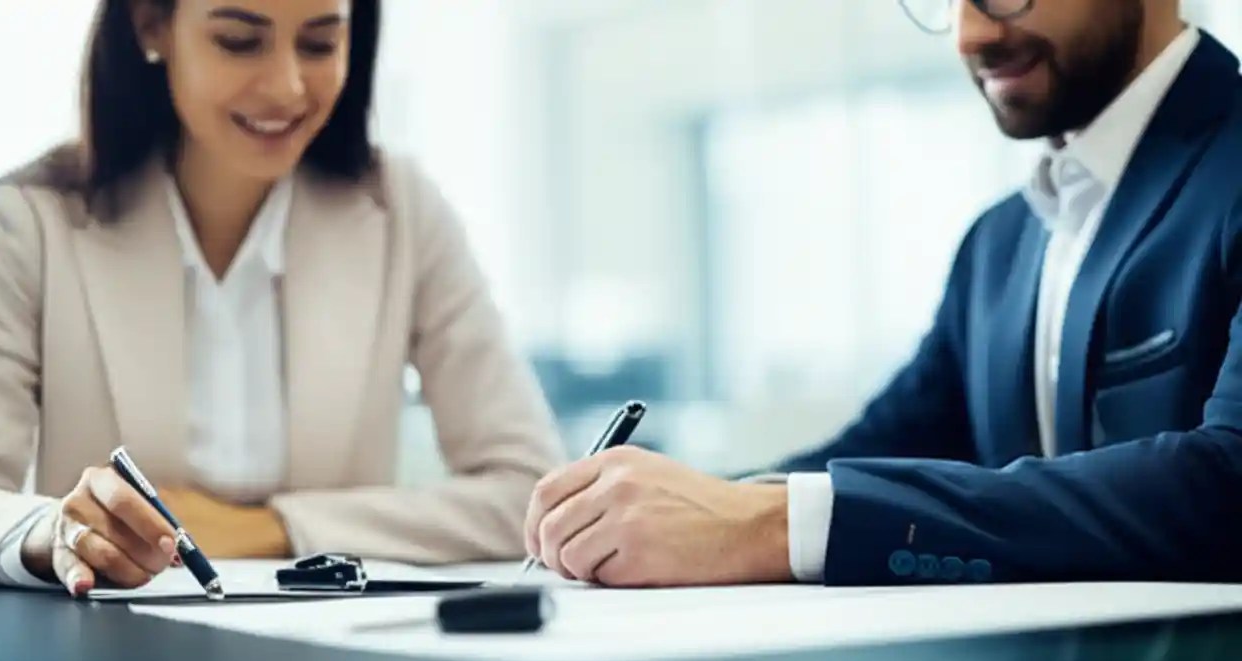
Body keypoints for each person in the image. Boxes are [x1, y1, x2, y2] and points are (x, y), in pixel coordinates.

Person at [524, 0, 1242, 587]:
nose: (970, 32)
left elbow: (1226, 485)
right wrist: (672, 509)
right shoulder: (1000, 244)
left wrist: (769, 526)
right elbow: (887, 445)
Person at [0, 0, 565, 595]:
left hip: (337, 652)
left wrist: (270, 528)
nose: (286, 86)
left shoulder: (402, 212)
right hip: (107, 660)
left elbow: (530, 492)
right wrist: (60, 533)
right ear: (152, 24)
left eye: (319, 44)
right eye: (239, 41)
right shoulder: (28, 223)